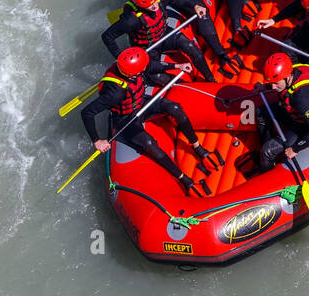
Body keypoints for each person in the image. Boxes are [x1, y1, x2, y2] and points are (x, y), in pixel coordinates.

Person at [80, 47, 221, 193]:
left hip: (141, 103)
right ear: (133, 73)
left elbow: (151, 66)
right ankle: (183, 178)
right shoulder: (115, 93)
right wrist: (97, 140)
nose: (146, 67)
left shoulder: (132, 70)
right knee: (149, 143)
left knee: (175, 108)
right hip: (125, 118)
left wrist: (176, 66)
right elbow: (87, 113)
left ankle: (197, 146)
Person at [101, 0, 215, 82]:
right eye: (150, 5)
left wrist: (194, 6)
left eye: (155, 1)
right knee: (156, 76)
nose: (155, 6)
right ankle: (183, 87)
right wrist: (120, 58)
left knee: (190, 46)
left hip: (164, 33)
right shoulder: (130, 20)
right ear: (140, 5)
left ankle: (210, 79)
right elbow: (107, 36)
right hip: (147, 47)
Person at [253, 52, 309, 173]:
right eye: (271, 83)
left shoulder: (302, 99)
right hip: (296, 114)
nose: (273, 87)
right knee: (259, 112)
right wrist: (265, 87)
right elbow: (277, 85)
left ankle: (265, 171)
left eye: (276, 83)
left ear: (287, 77)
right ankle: (268, 149)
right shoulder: (294, 70)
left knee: (267, 150)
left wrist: (296, 148)